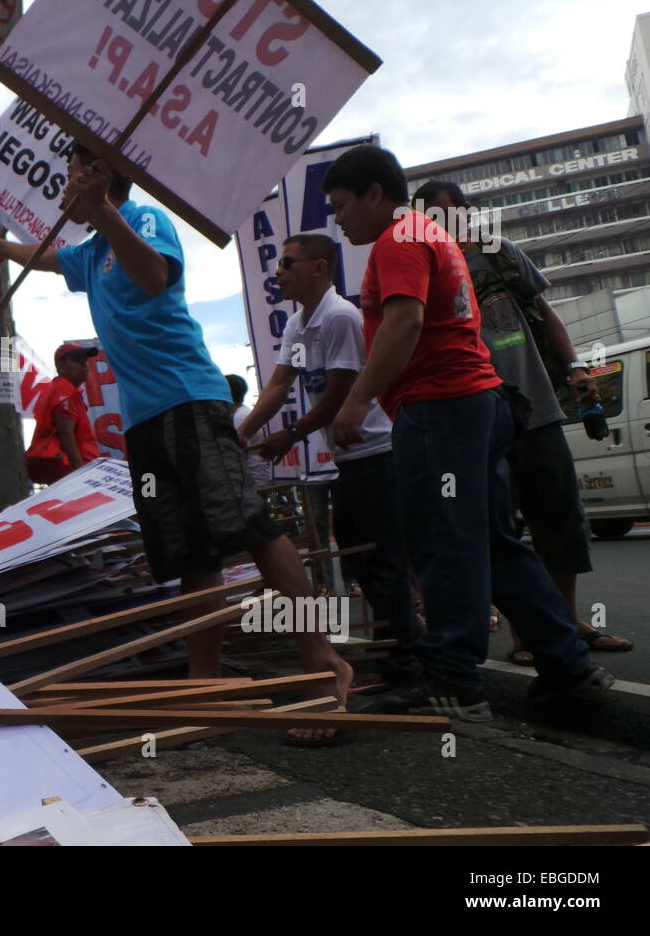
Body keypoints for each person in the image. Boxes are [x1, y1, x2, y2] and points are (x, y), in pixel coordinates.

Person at [0, 143, 352, 710]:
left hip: (190, 401)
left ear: (100, 175)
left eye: (71, 175)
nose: (63, 188)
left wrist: (103, 208)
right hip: (146, 421)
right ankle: (205, 679)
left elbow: (155, 276)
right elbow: (48, 256)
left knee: (249, 527)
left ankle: (322, 657)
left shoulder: (142, 219)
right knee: (190, 554)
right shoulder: (90, 251)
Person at [324, 146, 610, 720]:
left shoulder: (398, 239)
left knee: (444, 541)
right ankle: (568, 666)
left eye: (341, 205)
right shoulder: (432, 234)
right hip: (476, 401)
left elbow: (404, 322)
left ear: (374, 193)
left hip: (440, 406)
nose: (338, 220)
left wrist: (355, 402)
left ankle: (452, 682)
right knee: (494, 543)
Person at [412, 180, 632, 664]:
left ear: (466, 212)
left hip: (538, 407)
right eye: (427, 218)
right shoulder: (428, 269)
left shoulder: (503, 254)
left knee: (560, 519)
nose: (437, 226)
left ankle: (569, 623)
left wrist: (576, 367)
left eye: (444, 214)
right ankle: (525, 635)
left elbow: (546, 312)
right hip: (481, 417)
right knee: (503, 531)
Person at [237, 233, 423, 718]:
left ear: (319, 267)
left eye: (288, 264)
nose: (279, 273)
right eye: (278, 265)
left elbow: (338, 395)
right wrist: (243, 432)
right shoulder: (300, 323)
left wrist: (289, 436)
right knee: (364, 564)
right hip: (351, 458)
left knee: (381, 562)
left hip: (377, 451)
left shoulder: (339, 317)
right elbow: (279, 385)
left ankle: (407, 665)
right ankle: (397, 657)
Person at [25, 342, 102, 485]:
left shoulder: (64, 388)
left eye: (85, 361)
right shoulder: (64, 389)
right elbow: (66, 434)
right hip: (74, 475)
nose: (85, 366)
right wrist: (82, 475)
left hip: (70, 473)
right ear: (61, 366)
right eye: (77, 361)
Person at [226, 374, 272, 490]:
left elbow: (238, 450)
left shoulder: (239, 417)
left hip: (253, 477)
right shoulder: (244, 412)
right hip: (256, 475)